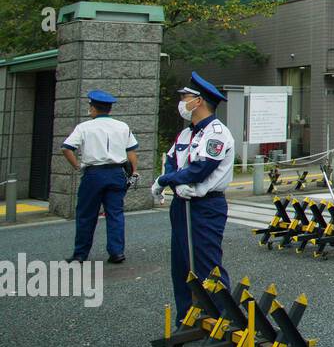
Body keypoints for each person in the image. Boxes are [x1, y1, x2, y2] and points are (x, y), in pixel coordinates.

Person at [152, 73, 234, 312]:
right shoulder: (187, 133)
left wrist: (165, 180)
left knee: (206, 265)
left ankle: (222, 320)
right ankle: (186, 317)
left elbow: (201, 169)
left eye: (185, 97)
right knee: (181, 264)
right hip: (181, 204)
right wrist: (174, 182)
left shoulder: (217, 133)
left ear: (198, 101)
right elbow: (171, 159)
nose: (182, 102)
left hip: (206, 206)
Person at [61, 89, 138, 264]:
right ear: (109, 109)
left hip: (93, 174)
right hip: (117, 173)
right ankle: (117, 252)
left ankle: (80, 254)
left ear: (93, 108)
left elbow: (66, 148)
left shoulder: (84, 127)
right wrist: (134, 172)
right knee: (115, 214)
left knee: (86, 214)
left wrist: (77, 166)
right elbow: (131, 151)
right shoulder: (122, 126)